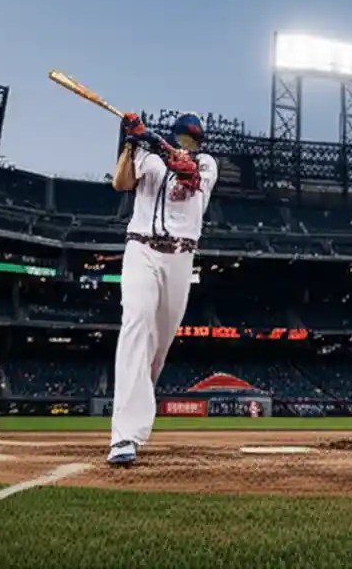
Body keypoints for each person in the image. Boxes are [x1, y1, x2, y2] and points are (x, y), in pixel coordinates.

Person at [107, 112, 217, 465]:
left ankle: (140, 403)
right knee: (135, 327)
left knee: (158, 347)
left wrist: (153, 140)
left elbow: (188, 176)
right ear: (175, 135)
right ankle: (124, 436)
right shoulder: (145, 153)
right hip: (141, 249)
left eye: (193, 142)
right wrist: (131, 142)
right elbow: (121, 183)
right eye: (184, 139)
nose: (189, 147)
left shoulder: (206, 164)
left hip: (181, 258)